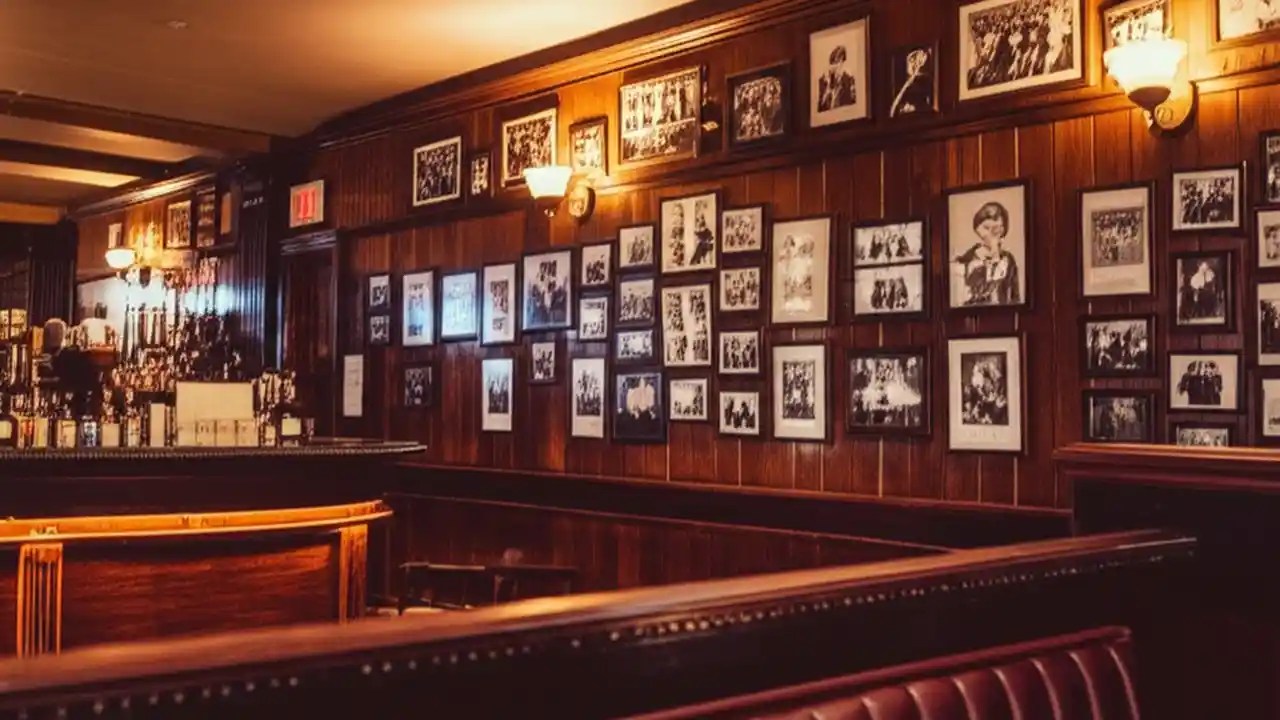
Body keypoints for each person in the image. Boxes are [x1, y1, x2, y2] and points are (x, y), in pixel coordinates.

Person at [954, 201, 1020, 306]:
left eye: (997, 228)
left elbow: (1014, 296)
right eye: (986, 228)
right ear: (978, 229)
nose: (991, 233)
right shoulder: (967, 261)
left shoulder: (1008, 260)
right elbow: (967, 299)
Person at [818, 46, 856, 112]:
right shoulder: (823, 81)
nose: (836, 66)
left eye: (840, 62)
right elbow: (820, 108)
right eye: (834, 63)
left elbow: (852, 103)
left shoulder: (849, 80)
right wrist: (827, 89)